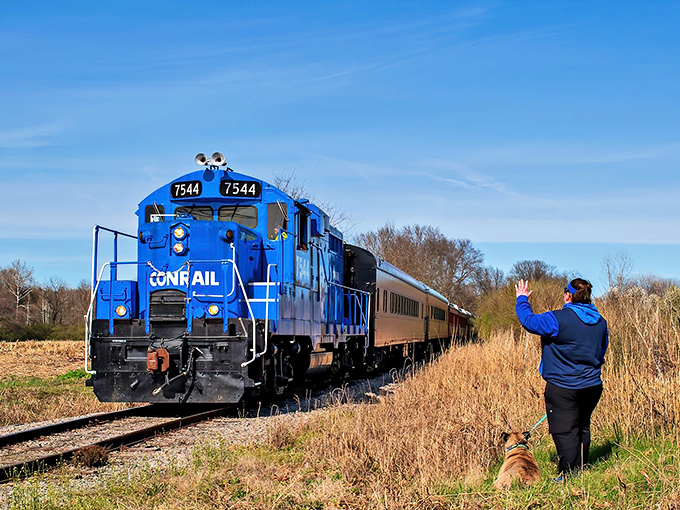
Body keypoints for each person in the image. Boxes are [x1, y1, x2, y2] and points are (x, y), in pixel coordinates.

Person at [515, 278, 608, 478]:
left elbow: (528, 321)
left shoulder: (557, 319)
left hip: (563, 387)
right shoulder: (601, 322)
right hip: (592, 386)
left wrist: (522, 299)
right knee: (582, 426)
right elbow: (602, 351)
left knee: (565, 431)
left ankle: (568, 475)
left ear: (568, 295)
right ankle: (581, 469)